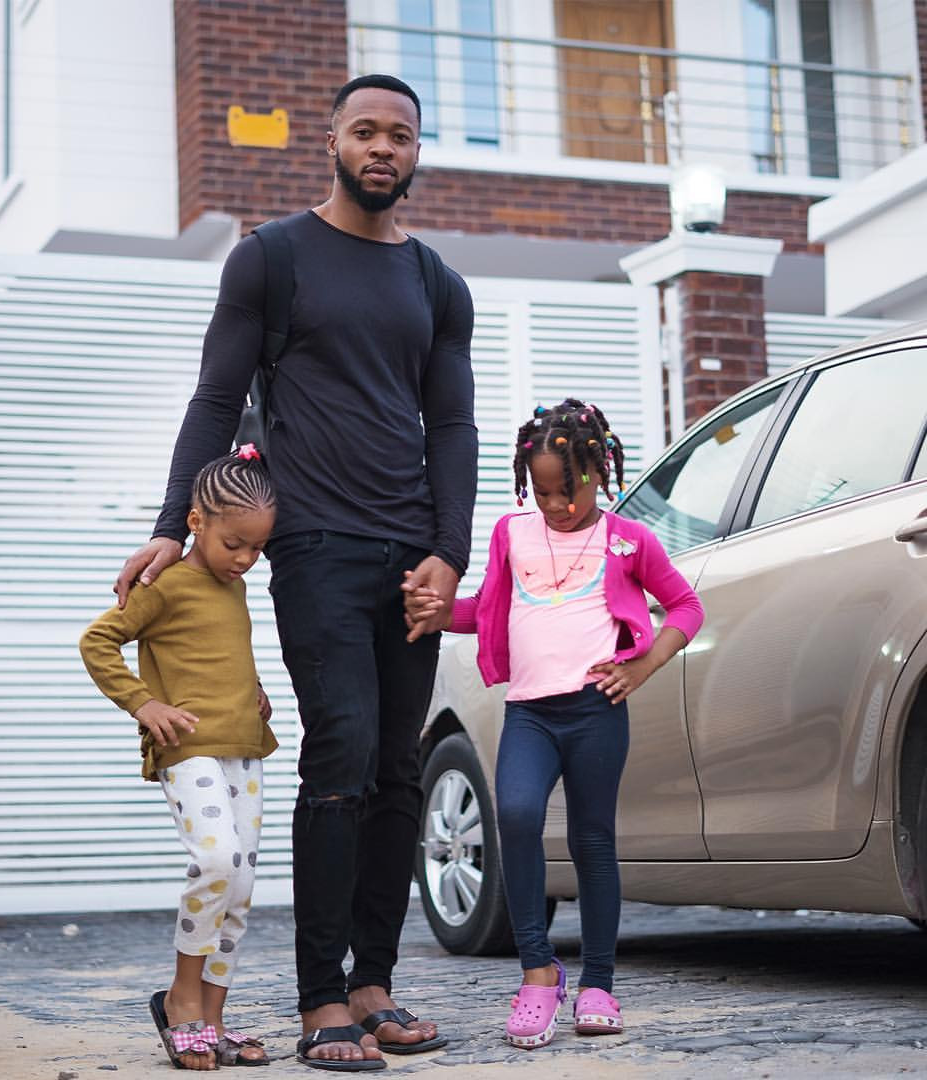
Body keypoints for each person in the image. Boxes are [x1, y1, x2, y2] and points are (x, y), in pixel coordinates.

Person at [113, 74, 477, 1070]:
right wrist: (169, 526)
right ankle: (322, 999)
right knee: (344, 746)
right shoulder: (271, 259)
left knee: (399, 767)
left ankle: (374, 985)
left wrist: (450, 551)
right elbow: (215, 395)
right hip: (315, 545)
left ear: (415, 152)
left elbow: (451, 425)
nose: (382, 148)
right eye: (365, 130)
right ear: (332, 141)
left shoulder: (439, 284)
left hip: (413, 555)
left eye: (400, 135)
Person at [404, 399, 703, 1049]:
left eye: (568, 490)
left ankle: (598, 983)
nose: (557, 505)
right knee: (513, 814)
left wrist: (643, 665)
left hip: (596, 712)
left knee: (593, 840)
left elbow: (685, 607)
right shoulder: (513, 534)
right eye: (541, 492)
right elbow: (489, 607)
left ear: (598, 471)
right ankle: (539, 974)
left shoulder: (628, 540)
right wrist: (439, 614)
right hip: (531, 713)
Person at [82, 447, 278, 1070]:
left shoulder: (234, 585)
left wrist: (254, 691)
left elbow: (214, 652)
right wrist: (144, 706)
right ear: (196, 523)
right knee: (215, 859)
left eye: (256, 548)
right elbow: (98, 642)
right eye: (234, 543)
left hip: (244, 747)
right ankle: (180, 1001)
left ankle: (214, 1020)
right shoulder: (162, 584)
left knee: (240, 888)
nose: (245, 558)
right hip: (187, 747)